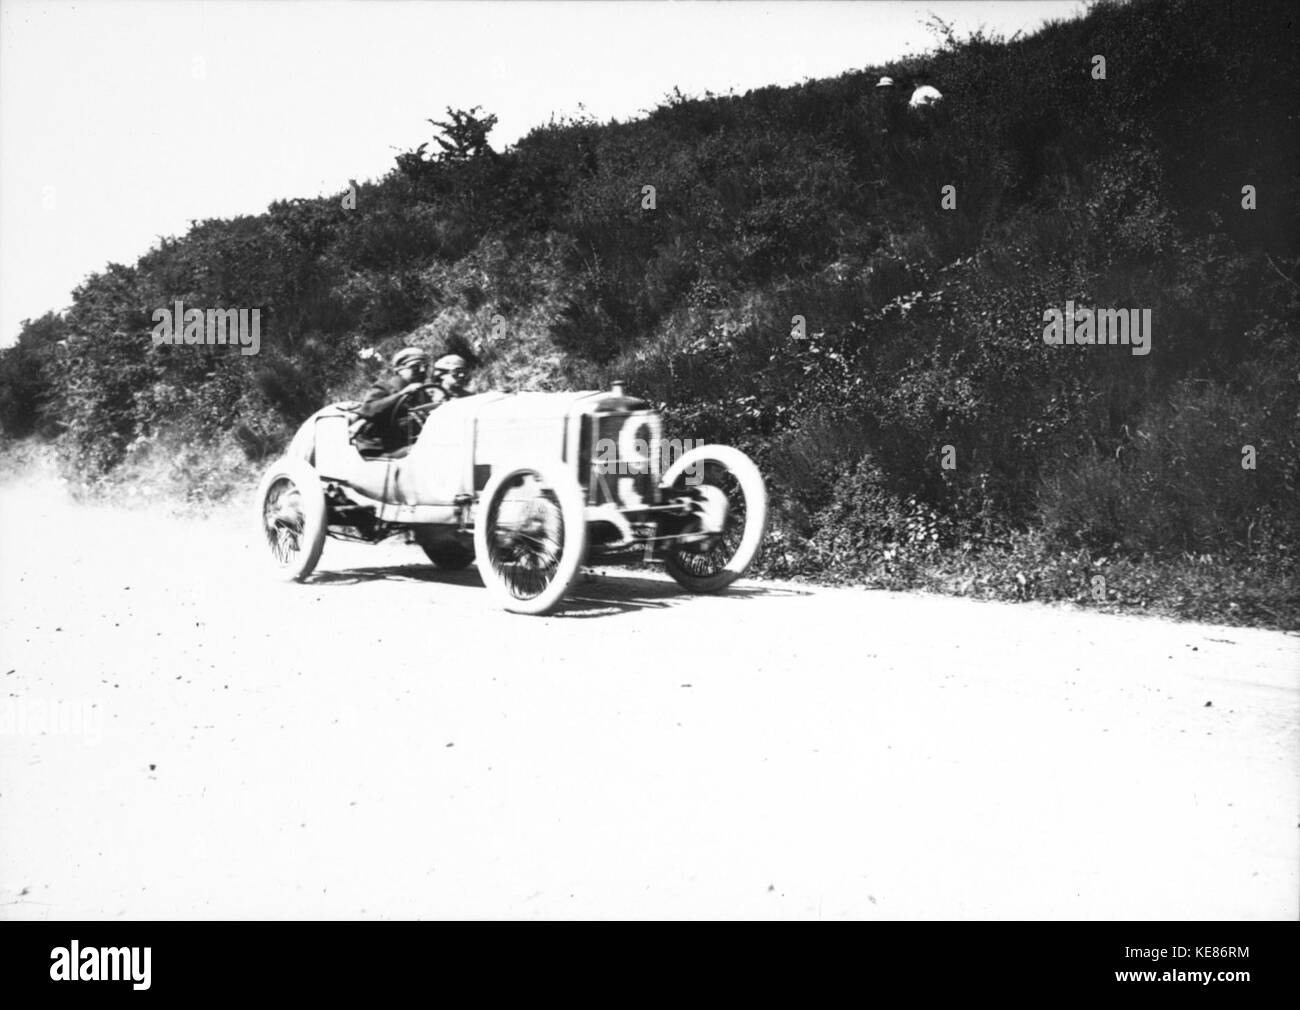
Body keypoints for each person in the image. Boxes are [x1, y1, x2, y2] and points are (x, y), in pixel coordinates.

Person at [352, 347, 435, 458]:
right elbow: (367, 410)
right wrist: (402, 394)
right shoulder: (384, 387)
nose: (422, 370)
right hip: (382, 449)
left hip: (410, 444)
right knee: (427, 451)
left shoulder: (422, 392)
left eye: (425, 367)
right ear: (399, 370)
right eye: (415, 367)